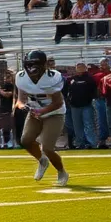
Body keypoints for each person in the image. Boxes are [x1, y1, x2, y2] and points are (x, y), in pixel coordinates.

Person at [15, 50, 69, 185]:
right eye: (29, 65)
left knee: (47, 148)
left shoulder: (53, 77)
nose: (32, 69)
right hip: (34, 112)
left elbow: (58, 102)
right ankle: (42, 161)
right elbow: (20, 99)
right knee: (25, 140)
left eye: (35, 65)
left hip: (53, 113)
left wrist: (42, 110)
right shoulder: (21, 77)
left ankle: (62, 171)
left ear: (44, 65)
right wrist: (23, 106)